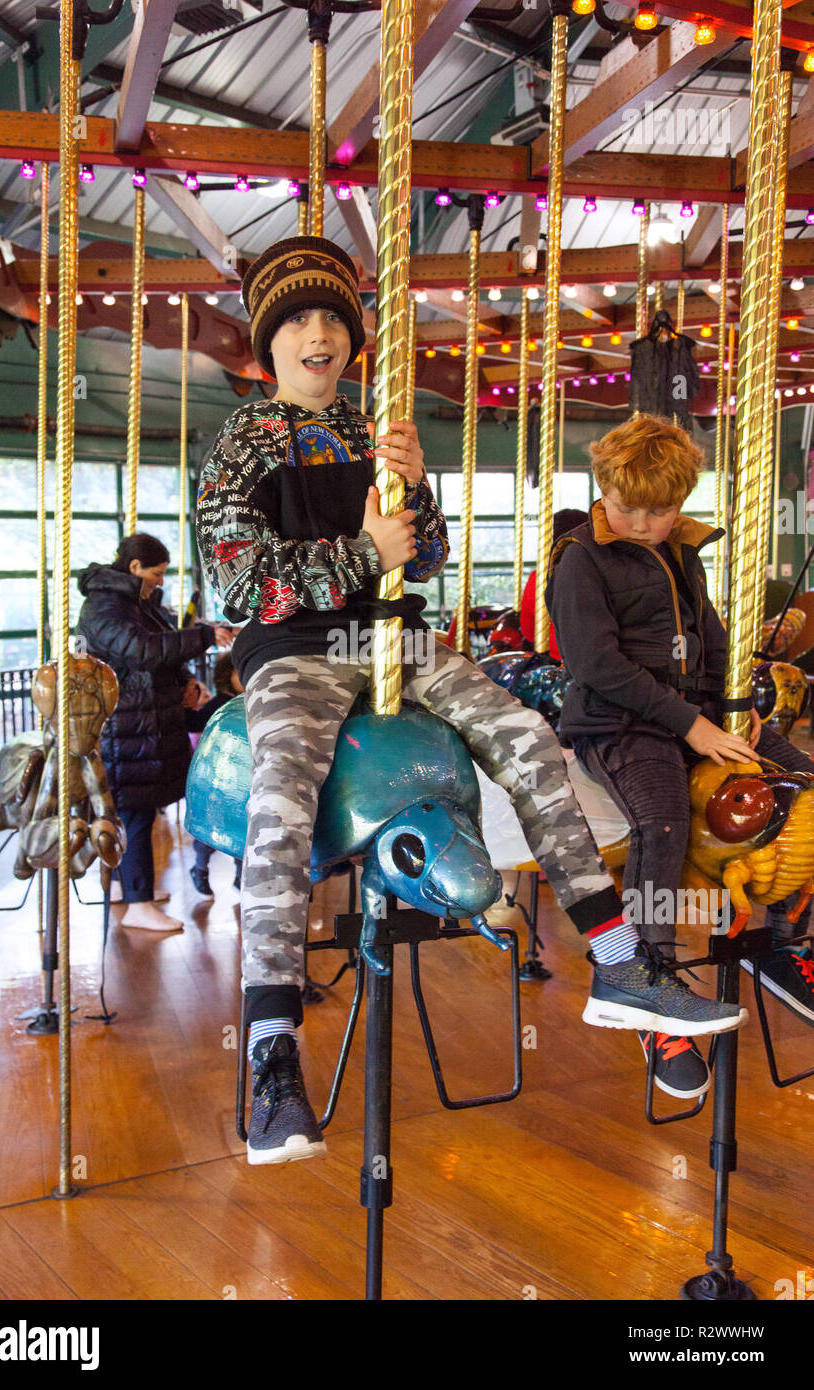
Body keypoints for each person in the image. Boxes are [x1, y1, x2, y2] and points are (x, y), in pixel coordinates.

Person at [197, 237, 744, 1165]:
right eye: (299, 321)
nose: (319, 335)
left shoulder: (377, 427)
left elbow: (431, 554)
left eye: (333, 317)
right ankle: (272, 1047)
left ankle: (618, 965)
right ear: (270, 342)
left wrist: (417, 490)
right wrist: (366, 548)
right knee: (282, 798)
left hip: (395, 641)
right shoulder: (242, 442)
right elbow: (237, 581)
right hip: (295, 649)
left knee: (528, 735)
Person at [547, 413, 814, 1101]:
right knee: (661, 818)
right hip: (619, 723)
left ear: (681, 505)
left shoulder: (683, 552)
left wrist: (734, 704)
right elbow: (596, 664)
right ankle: (647, 982)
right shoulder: (580, 559)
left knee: (804, 784)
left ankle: (786, 939)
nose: (640, 522)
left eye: (659, 511)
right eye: (627, 507)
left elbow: (714, 635)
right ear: (602, 490)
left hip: (692, 715)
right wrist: (693, 727)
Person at [77, 533, 233, 932]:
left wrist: (184, 680)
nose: (160, 582)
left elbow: (158, 648)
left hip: (142, 719)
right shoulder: (105, 606)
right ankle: (137, 901)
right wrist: (201, 636)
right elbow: (141, 650)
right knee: (134, 811)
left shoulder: (135, 603)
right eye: (156, 573)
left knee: (135, 810)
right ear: (134, 569)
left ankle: (129, 889)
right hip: (126, 722)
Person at [185, 652, 244, 896]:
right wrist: (185, 706)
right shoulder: (220, 702)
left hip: (242, 776)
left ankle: (242, 877)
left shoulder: (254, 701)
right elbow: (195, 722)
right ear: (226, 677)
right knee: (212, 829)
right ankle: (200, 868)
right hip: (217, 776)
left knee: (243, 829)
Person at [519, 508, 587, 659]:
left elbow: (528, 631)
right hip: (587, 663)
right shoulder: (597, 576)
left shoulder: (537, 578)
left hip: (550, 660)